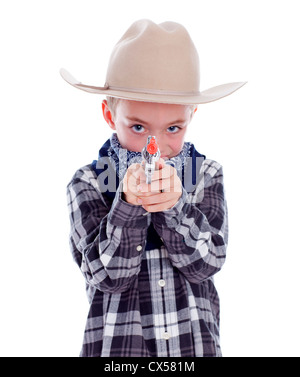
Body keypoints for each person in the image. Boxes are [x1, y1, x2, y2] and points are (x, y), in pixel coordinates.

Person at [60, 19, 246, 357]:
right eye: (138, 126)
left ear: (192, 116)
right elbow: (105, 277)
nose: (155, 146)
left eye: (173, 127)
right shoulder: (89, 180)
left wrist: (175, 207)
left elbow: (208, 262)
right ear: (108, 113)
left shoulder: (204, 174)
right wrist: (128, 205)